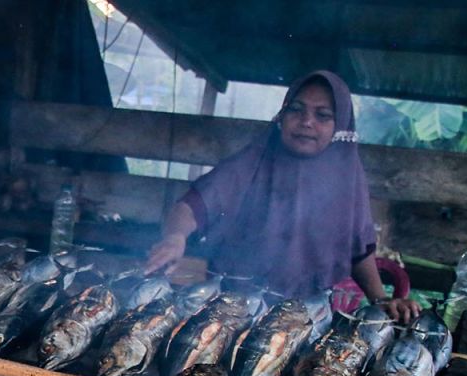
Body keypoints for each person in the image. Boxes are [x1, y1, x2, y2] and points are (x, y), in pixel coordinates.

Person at [145, 70, 421, 323]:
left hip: (306, 312)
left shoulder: (346, 176)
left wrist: (380, 299)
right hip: (233, 306)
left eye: (322, 115)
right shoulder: (254, 160)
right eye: (296, 110)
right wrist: (175, 237)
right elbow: (193, 205)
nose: (306, 122)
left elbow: (358, 248)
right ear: (283, 114)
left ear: (339, 126)